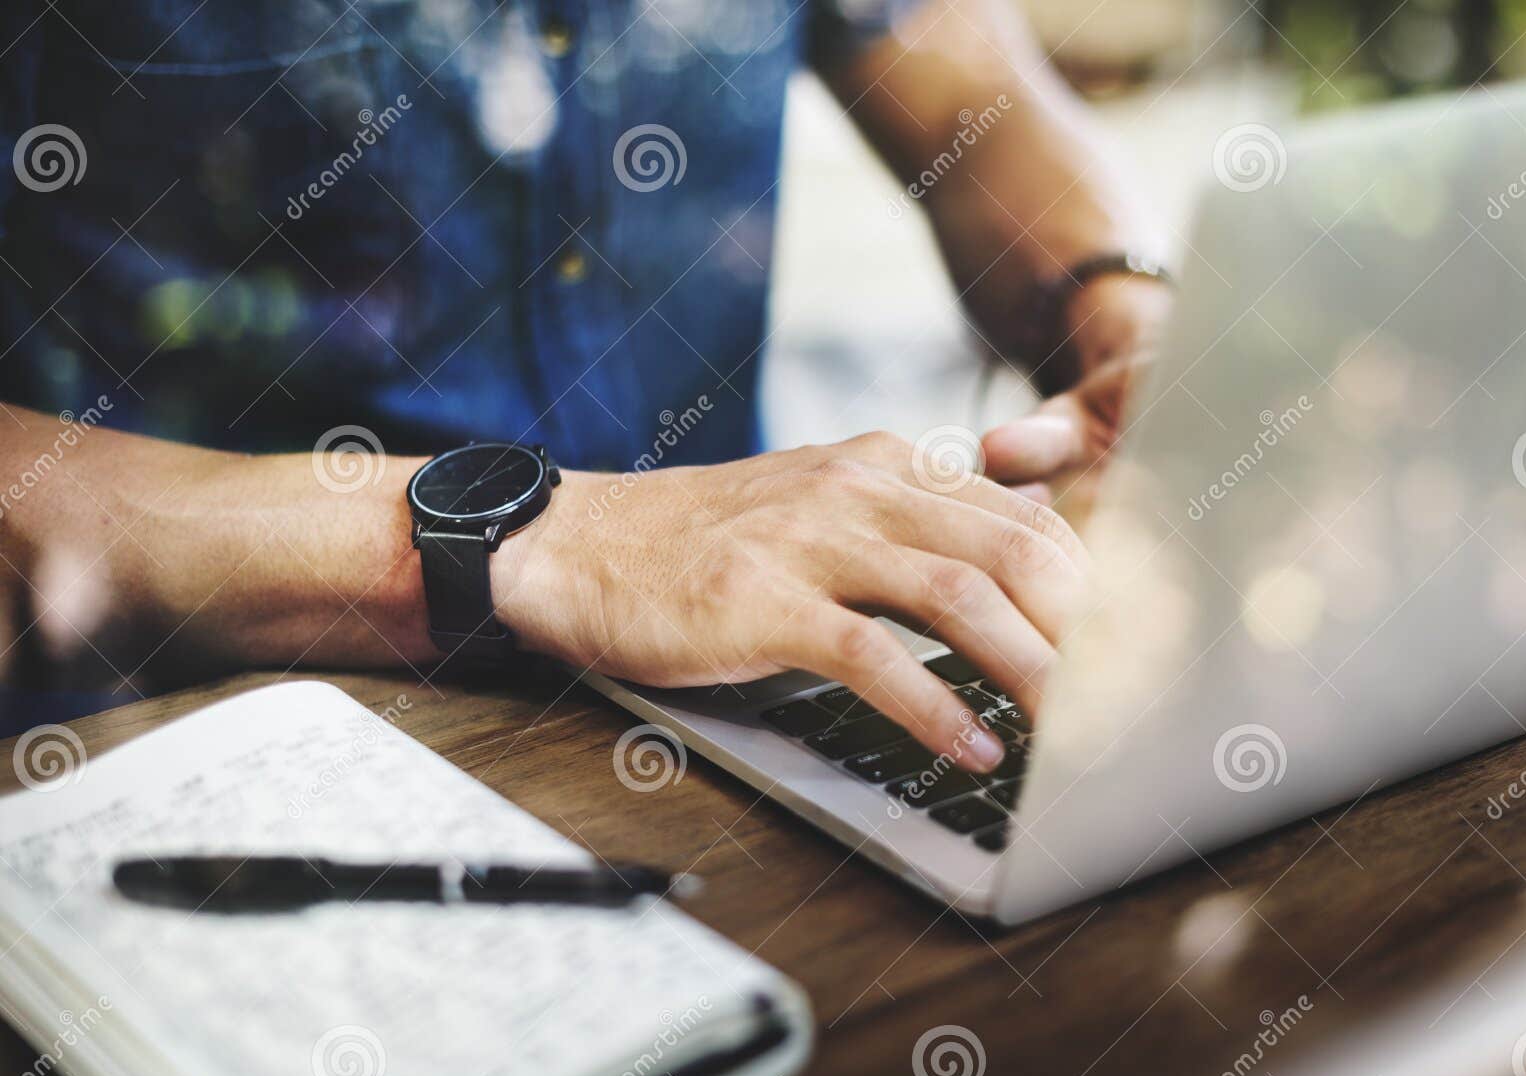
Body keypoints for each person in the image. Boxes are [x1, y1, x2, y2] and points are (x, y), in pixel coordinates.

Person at [0, 0, 1169, 769]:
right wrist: (526, 545)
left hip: (742, 704)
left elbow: (963, 83)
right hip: (182, 755)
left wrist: (1113, 303)